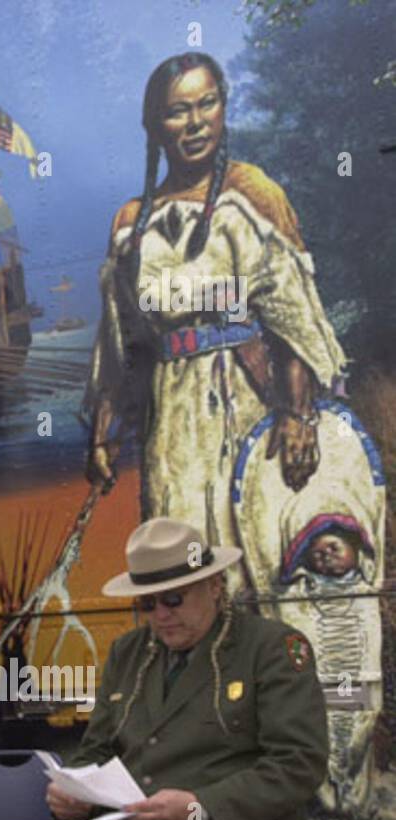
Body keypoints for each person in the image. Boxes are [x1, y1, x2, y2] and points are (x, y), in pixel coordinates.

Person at [83, 51, 346, 602]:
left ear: (223, 109)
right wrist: (105, 429)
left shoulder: (253, 194)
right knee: (181, 559)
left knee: (259, 552)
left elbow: (291, 315)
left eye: (208, 104)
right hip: (171, 421)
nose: (196, 122)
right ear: (156, 125)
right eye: (179, 111)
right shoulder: (132, 222)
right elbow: (121, 341)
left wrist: (298, 416)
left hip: (248, 404)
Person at [0, 517, 328, 820]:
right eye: (147, 604)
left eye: (173, 599)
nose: (160, 615)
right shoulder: (130, 651)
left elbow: (298, 762)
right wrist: (75, 792)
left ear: (214, 585)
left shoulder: (269, 648)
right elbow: (99, 748)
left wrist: (199, 805)